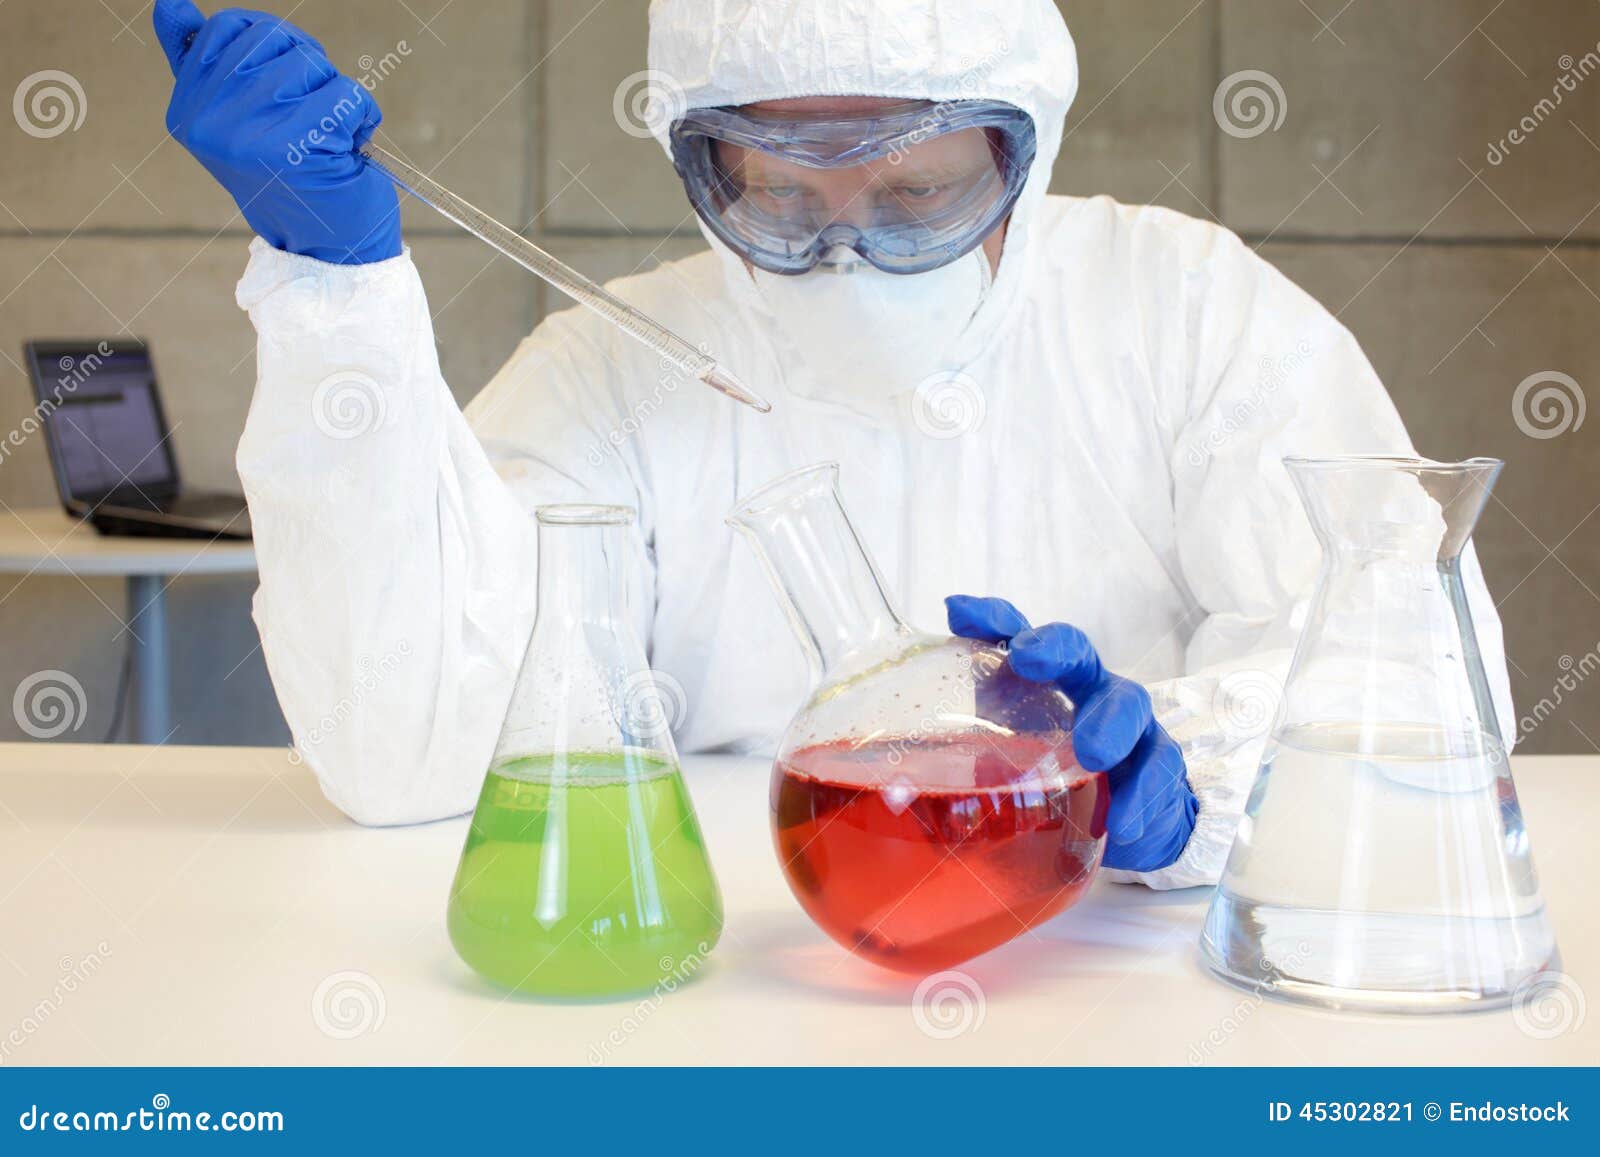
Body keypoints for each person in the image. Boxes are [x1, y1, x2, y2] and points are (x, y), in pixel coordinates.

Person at [152, 0, 1513, 888]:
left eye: (920, 188)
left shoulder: (1185, 311)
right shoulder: (616, 365)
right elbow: (414, 753)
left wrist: (1194, 771)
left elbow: (1422, 673)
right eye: (787, 196)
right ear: (707, 170)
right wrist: (335, 295)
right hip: (719, 1015)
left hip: (1138, 1003)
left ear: (1020, 156)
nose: (850, 251)